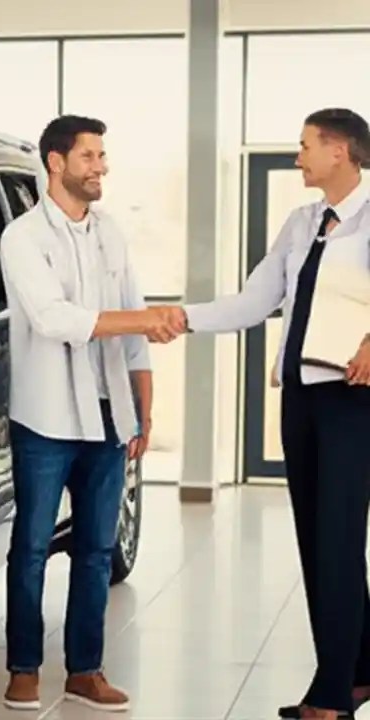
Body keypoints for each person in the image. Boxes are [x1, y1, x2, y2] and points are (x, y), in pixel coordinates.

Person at [168, 108, 370, 720]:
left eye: (306, 145)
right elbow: (258, 298)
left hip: (354, 401)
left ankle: (332, 697)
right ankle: (355, 671)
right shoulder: (304, 222)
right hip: (303, 395)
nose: (298, 155)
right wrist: (182, 318)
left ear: (340, 150)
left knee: (337, 539)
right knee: (317, 539)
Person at [0, 114, 179, 713]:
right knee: (29, 546)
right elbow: (56, 320)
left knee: (98, 550)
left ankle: (85, 671)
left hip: (109, 416)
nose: (101, 167)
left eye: (102, 156)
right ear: (57, 162)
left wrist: (143, 415)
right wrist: (146, 319)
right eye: (90, 156)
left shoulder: (111, 234)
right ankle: (24, 668)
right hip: (46, 420)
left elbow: (131, 327)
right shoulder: (23, 238)